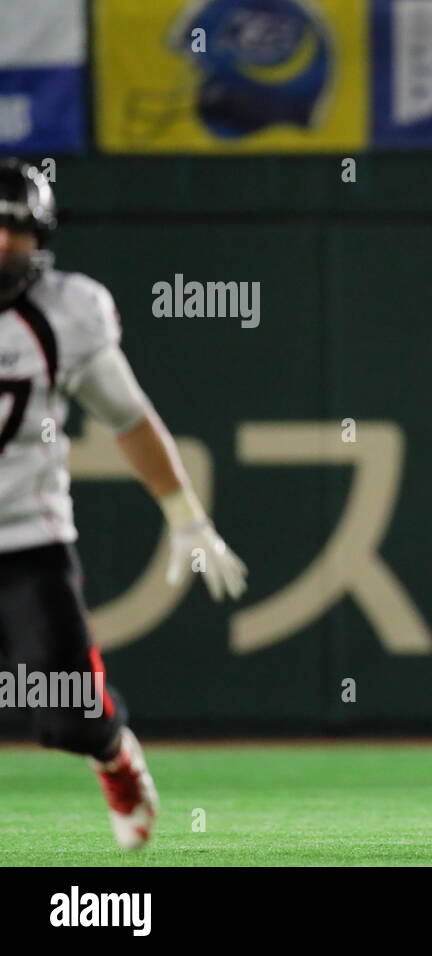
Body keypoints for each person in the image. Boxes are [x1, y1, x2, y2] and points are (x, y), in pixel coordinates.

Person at [0, 158, 247, 849]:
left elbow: (130, 419)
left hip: (27, 538)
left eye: (16, 231)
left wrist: (185, 515)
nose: (2, 245)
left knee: (69, 715)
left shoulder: (62, 313)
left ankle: (115, 757)